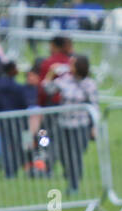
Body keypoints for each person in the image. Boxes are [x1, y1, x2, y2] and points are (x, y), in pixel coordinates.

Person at [43, 54, 96, 194]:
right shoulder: (65, 80)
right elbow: (48, 89)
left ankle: (74, 184)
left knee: (75, 154)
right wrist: (51, 73)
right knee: (65, 154)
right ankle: (72, 179)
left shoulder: (89, 84)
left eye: (72, 64)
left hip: (80, 125)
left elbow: (94, 105)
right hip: (64, 124)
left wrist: (94, 127)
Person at [0, 60, 29, 178]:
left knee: (6, 144)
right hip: (15, 118)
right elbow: (23, 102)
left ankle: (9, 171)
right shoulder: (16, 87)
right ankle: (14, 168)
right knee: (16, 144)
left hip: (2, 117)